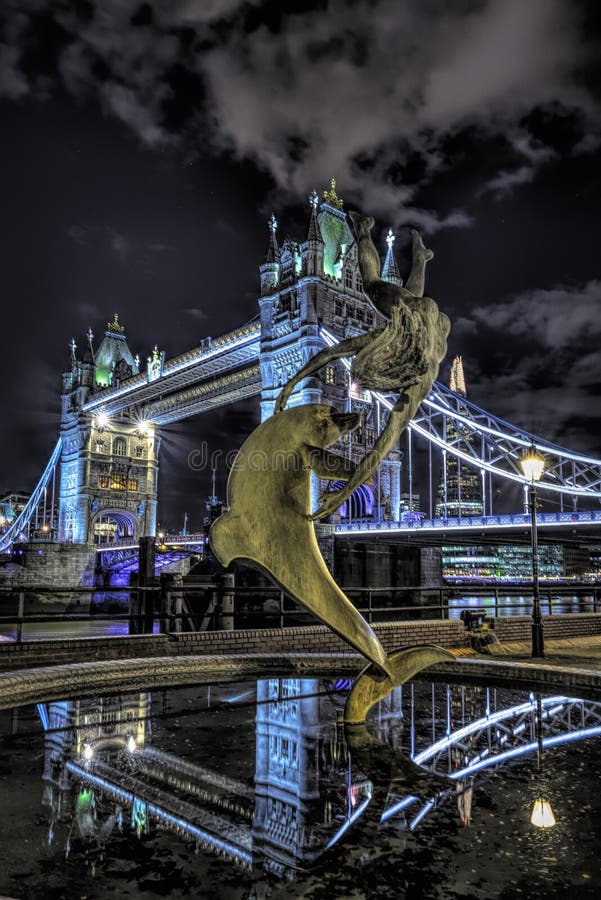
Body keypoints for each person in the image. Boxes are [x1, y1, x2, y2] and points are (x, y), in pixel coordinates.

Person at [275, 213, 450, 520]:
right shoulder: (406, 362)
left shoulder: (392, 339)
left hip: (425, 321)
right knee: (379, 289)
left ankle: (389, 242)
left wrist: (293, 381)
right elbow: (332, 352)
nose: (360, 388)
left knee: (379, 289)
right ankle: (393, 245)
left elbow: (331, 352)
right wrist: (293, 383)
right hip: (426, 325)